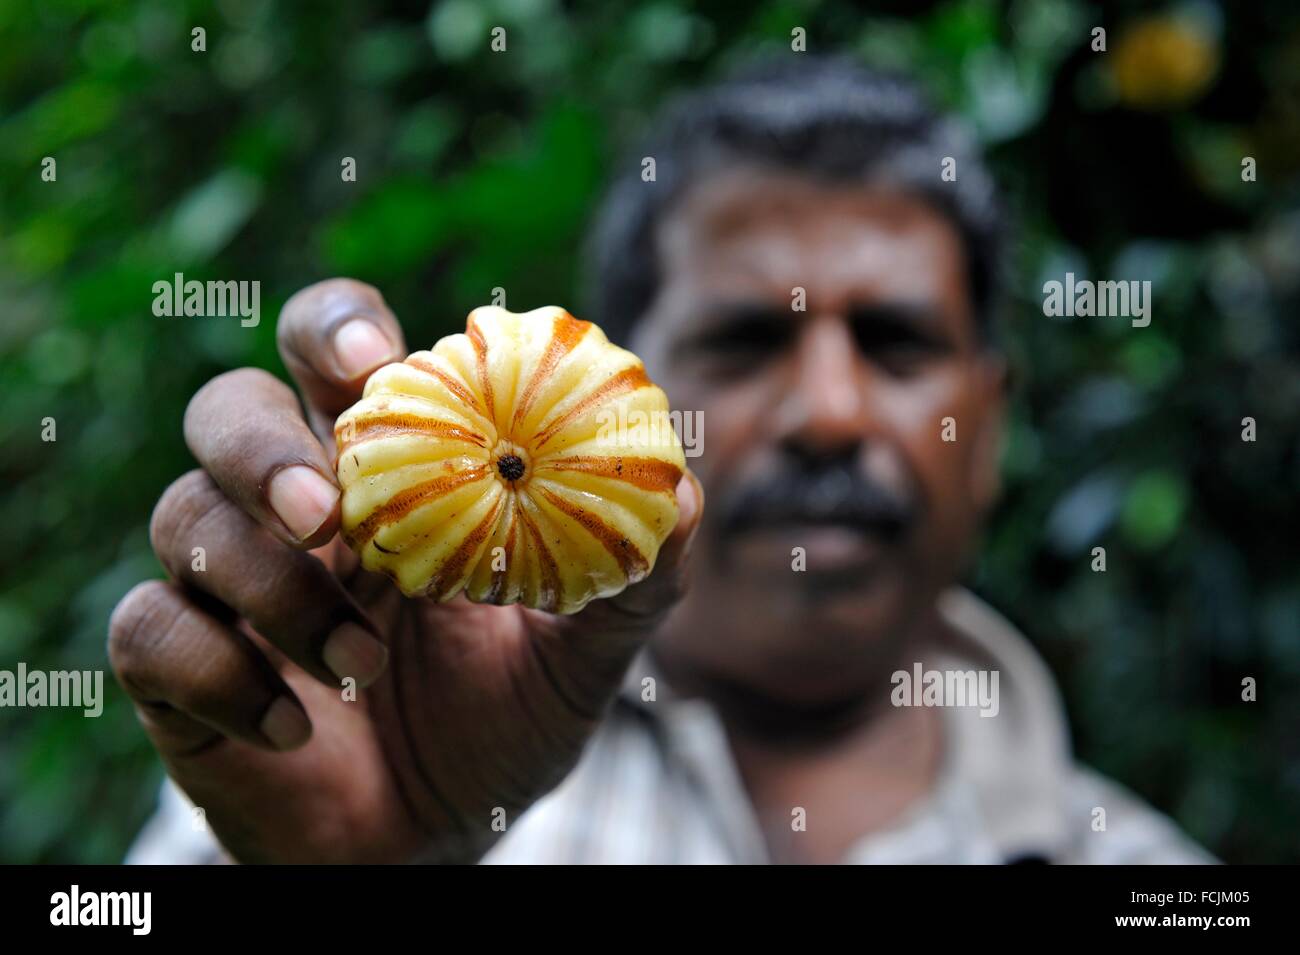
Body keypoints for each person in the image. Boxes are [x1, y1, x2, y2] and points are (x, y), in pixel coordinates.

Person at [116, 58, 1212, 864]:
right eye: (743, 339)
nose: (828, 412)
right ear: (625, 392)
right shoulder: (368, 728)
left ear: (989, 423)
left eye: (896, 342)